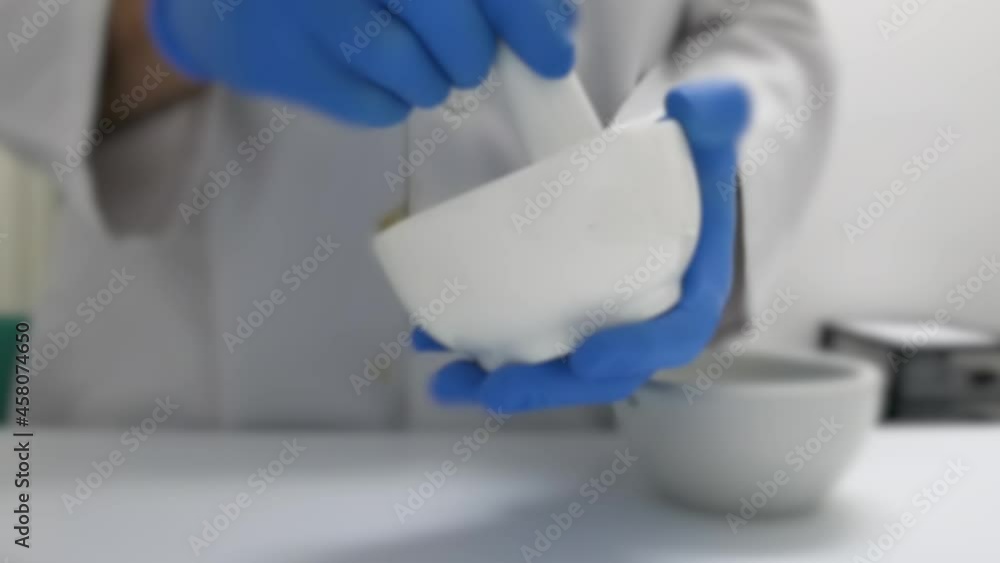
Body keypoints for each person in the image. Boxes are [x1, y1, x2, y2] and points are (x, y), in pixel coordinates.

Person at [0, 0, 833, 428]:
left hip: (563, 465)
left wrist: (710, 172)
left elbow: (762, 26)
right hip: (156, 440)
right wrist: (172, 20)